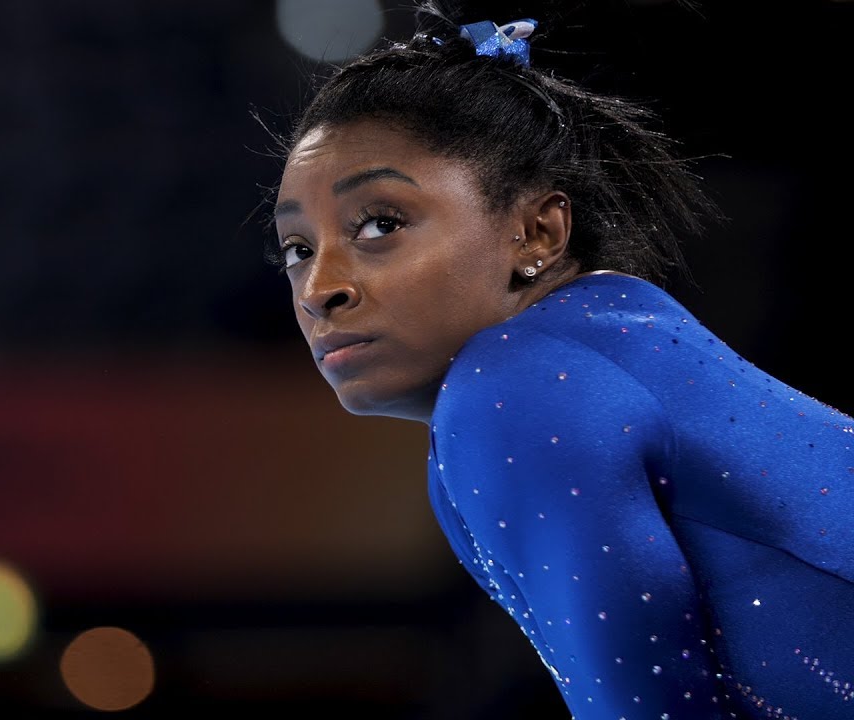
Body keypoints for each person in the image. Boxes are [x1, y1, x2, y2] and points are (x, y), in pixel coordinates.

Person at [266, 4, 854, 719]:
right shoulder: (607, 332)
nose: (321, 288)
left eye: (380, 224)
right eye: (297, 249)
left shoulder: (518, 384)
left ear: (537, 230)